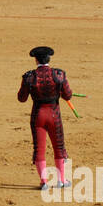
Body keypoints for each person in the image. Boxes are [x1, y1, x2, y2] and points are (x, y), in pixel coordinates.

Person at [17, 46, 74, 190]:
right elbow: (67, 95)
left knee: (39, 148)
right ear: (49, 59)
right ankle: (61, 180)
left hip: (38, 115)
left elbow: (21, 98)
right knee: (59, 146)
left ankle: (44, 182)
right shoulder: (59, 74)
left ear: (35, 60)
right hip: (54, 114)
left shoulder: (29, 76)